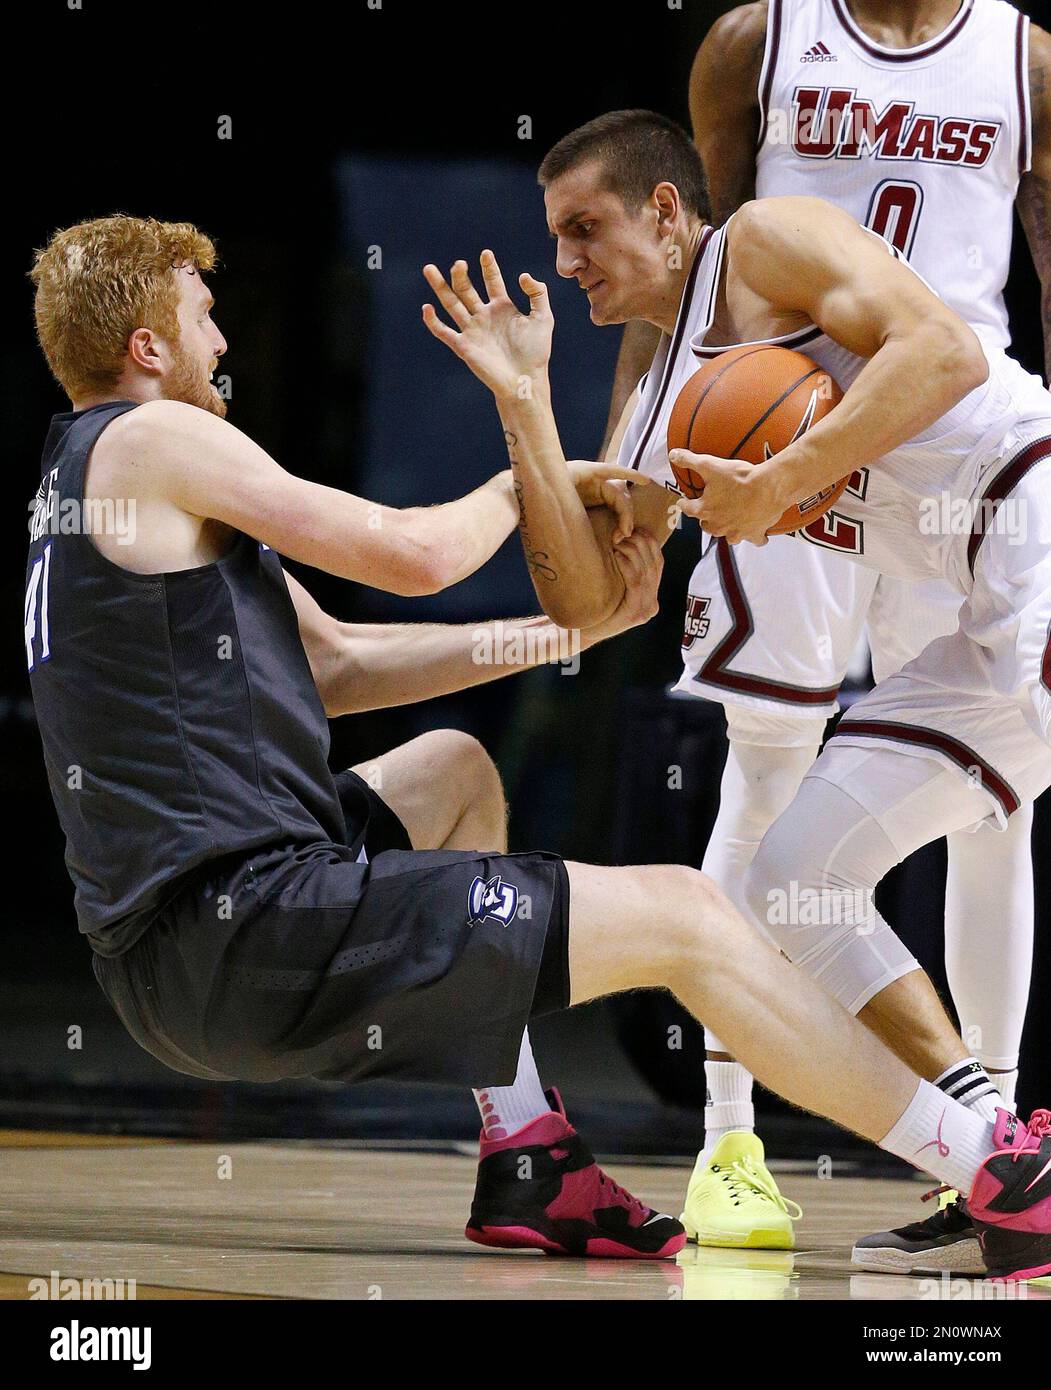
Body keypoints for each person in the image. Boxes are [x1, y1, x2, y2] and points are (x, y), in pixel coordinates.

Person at [26, 215, 1050, 1276]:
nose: (223, 344)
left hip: (171, 959)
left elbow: (337, 666)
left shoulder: (77, 476)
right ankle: (990, 1165)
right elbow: (415, 557)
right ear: (146, 348)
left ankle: (527, 1153)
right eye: (202, 319)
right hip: (243, 928)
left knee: (452, 772)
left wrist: (566, 632)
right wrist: (529, 473)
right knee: (689, 915)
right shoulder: (152, 437)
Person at [422, 111, 1051, 1278]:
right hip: (970, 615)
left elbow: (948, 355)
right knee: (790, 879)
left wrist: (785, 480)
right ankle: (1002, 1150)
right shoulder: (660, 410)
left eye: (585, 229)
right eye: (554, 240)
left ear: (666, 213)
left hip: (1028, 508)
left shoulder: (766, 240)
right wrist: (524, 401)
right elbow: (587, 603)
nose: (566, 262)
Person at [598, 0, 1051, 1265]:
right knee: (770, 768)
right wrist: (632, 450)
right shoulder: (758, 41)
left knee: (991, 805)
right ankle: (730, 1148)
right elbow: (682, 269)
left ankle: (995, 1151)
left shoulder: (1023, 60)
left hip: (957, 463)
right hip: (784, 441)